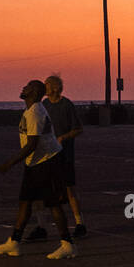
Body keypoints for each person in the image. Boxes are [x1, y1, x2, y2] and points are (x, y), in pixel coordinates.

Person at [0, 79, 76, 259]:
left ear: (35, 92)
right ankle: (14, 242)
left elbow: (32, 145)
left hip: (48, 161)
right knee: (25, 202)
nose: (24, 87)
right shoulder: (30, 110)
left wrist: (9, 163)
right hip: (35, 163)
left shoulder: (35, 112)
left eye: (29, 86)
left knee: (53, 204)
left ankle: (68, 244)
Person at [25, 75, 86, 241]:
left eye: (47, 85)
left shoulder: (66, 105)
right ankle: (41, 227)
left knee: (69, 190)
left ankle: (80, 224)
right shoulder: (42, 105)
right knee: (40, 192)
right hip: (46, 156)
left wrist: (63, 137)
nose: (44, 87)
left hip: (64, 155)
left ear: (55, 88)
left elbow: (78, 129)